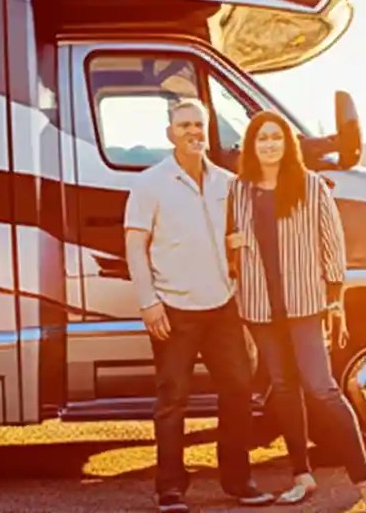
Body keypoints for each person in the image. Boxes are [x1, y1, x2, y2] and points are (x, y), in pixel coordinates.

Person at [225, 110, 366, 510]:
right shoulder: (238, 191)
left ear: (288, 144)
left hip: (304, 304)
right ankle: (301, 475)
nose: (269, 145)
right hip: (260, 308)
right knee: (283, 389)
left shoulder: (311, 185)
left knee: (322, 388)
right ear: (251, 146)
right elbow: (231, 242)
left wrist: (336, 300)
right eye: (261, 138)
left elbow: (332, 245)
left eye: (276, 137)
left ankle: (365, 481)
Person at [123, 98, 275, 513]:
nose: (193, 131)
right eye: (184, 125)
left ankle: (239, 481)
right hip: (173, 309)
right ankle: (170, 489)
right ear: (170, 133)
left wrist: (244, 303)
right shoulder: (150, 184)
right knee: (173, 401)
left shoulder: (227, 183)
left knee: (239, 391)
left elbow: (240, 244)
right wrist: (148, 303)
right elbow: (135, 247)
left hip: (223, 306)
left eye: (199, 125)